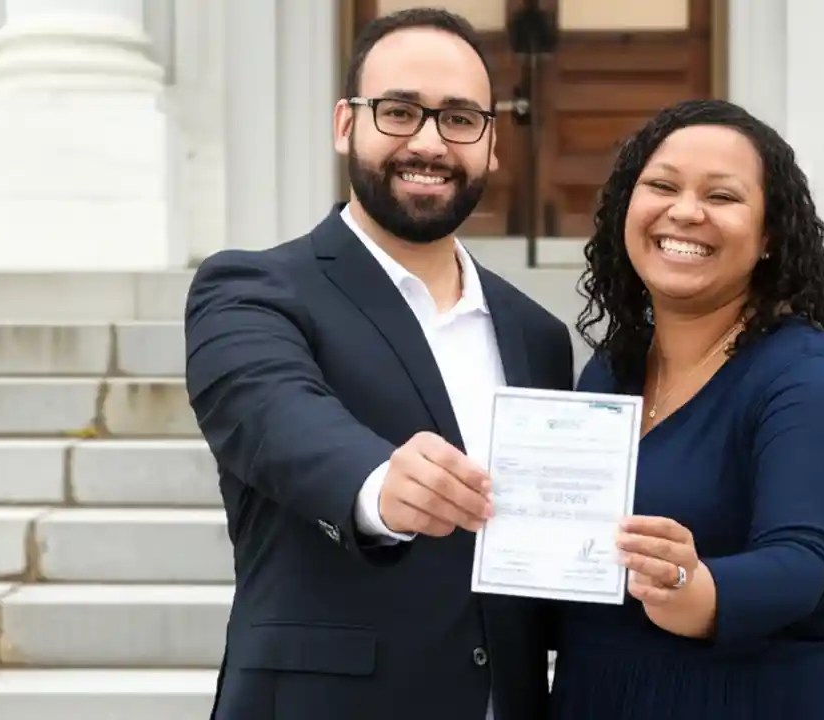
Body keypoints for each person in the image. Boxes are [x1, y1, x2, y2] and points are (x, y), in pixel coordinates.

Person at [184, 8, 572, 720]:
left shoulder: (538, 336)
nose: (428, 142)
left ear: (492, 145)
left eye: (459, 119)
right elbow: (275, 416)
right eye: (398, 111)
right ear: (345, 125)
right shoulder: (252, 289)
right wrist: (379, 481)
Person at [550, 98, 824, 718]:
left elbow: (800, 562)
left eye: (722, 197)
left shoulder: (812, 382)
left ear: (769, 236)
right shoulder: (611, 372)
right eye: (661, 186)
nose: (684, 212)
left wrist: (695, 586)